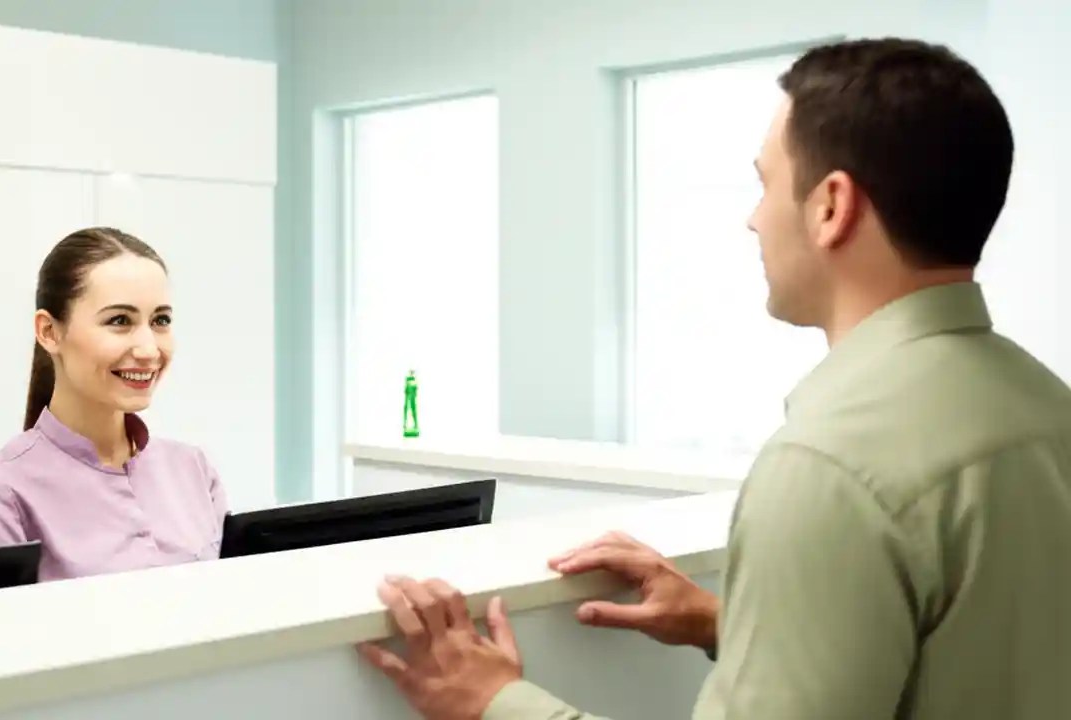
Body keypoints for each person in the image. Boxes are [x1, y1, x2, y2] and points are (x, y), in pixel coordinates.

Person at [359, 37, 1071, 719]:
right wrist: (735, 625)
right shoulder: (1048, 411)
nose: (754, 219)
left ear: (831, 206)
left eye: (765, 184)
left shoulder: (830, 468)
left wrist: (497, 704)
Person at [0, 228, 229, 582]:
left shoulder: (194, 470)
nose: (148, 349)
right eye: (119, 321)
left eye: (160, 320)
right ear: (49, 332)